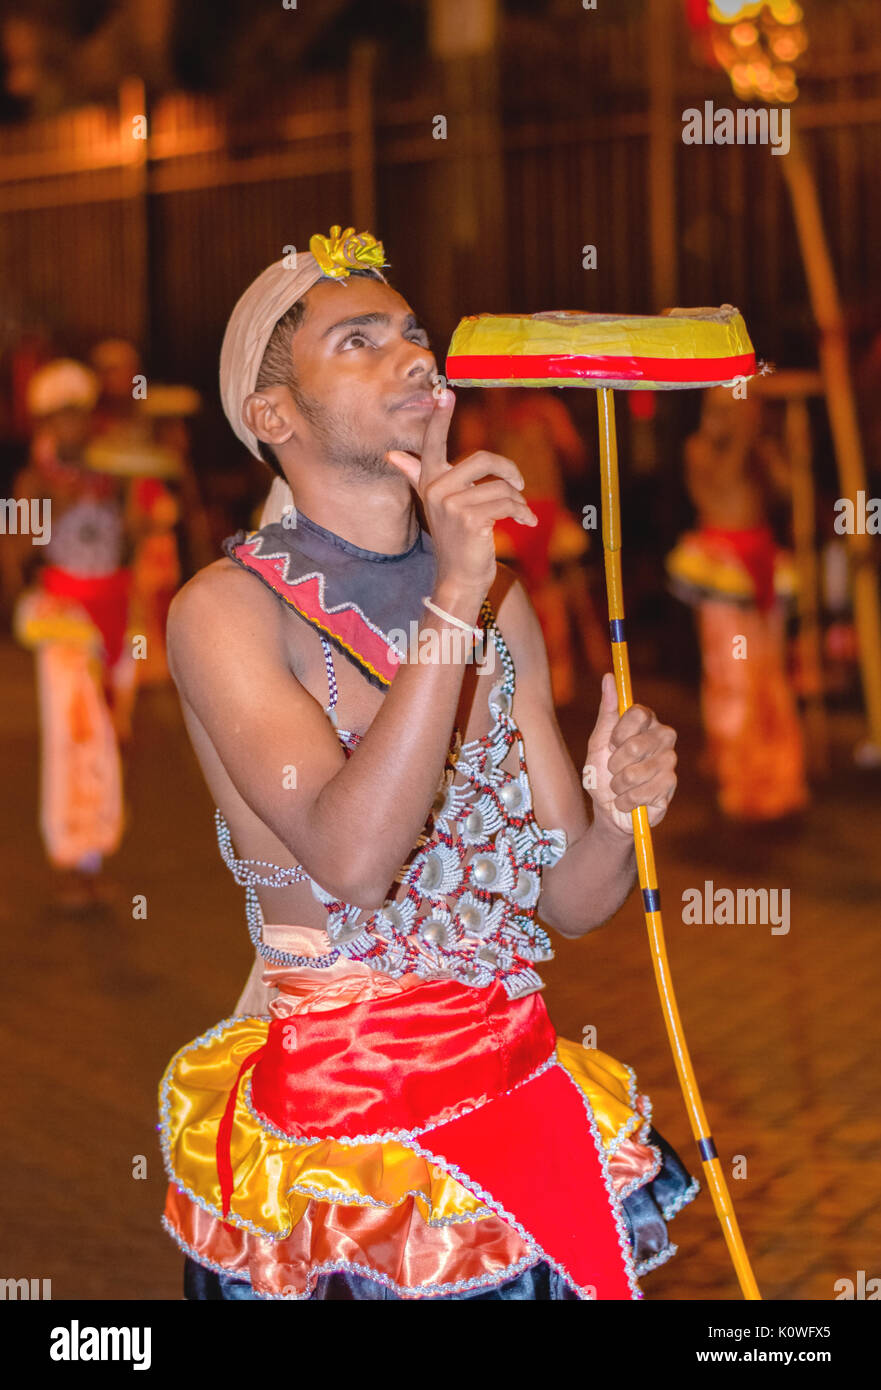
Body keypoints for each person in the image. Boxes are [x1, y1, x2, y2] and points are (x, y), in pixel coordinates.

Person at [159, 226, 695, 1301]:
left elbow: (573, 901)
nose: (411, 355)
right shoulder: (226, 614)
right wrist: (450, 595)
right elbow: (354, 860)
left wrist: (612, 808)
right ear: (272, 417)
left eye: (410, 332)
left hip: (525, 1108)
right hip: (346, 1158)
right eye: (356, 341)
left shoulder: (502, 608)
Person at [11, 359, 133, 907]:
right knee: (73, 739)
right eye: (60, 417)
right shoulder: (34, 480)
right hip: (65, 616)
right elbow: (16, 553)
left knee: (108, 737)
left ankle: (93, 858)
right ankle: (72, 864)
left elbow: (129, 543)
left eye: (78, 415)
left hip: (113, 606)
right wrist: (58, 495)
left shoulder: (114, 471)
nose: (71, 427)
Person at [667, 386, 808, 821]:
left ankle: (780, 776)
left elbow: (789, 492)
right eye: (723, 411)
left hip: (763, 562)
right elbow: (721, 485)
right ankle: (739, 777)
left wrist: (773, 449)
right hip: (721, 569)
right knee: (732, 677)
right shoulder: (698, 449)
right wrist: (744, 436)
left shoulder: (758, 450)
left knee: (770, 678)